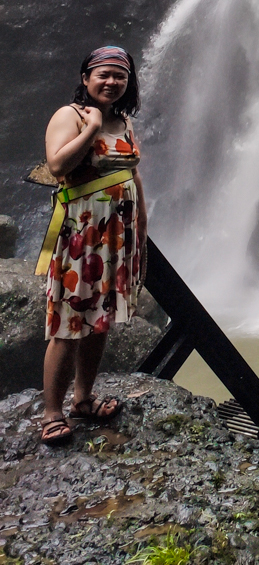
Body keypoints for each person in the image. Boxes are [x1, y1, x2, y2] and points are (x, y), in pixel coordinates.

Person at [38, 46, 147, 446]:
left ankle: (83, 398)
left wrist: (141, 232)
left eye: (120, 76)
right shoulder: (71, 116)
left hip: (116, 240)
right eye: (103, 74)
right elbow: (57, 166)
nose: (112, 82)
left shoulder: (125, 122)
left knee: (100, 321)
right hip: (79, 238)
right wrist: (91, 128)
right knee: (69, 324)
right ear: (86, 78)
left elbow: (134, 177)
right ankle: (52, 412)